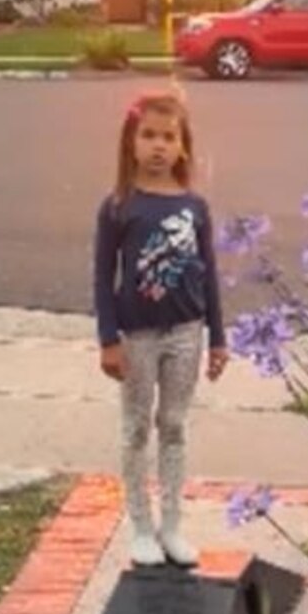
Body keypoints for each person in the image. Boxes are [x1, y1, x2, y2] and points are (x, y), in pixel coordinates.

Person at [93, 90, 230, 567]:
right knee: (135, 428)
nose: (157, 146)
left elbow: (207, 272)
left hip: (186, 333)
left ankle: (172, 525)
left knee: (173, 425)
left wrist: (218, 336)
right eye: (148, 135)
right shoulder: (118, 206)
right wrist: (109, 339)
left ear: (182, 145)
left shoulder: (195, 207)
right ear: (131, 142)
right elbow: (102, 276)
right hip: (138, 337)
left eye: (168, 137)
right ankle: (141, 528)